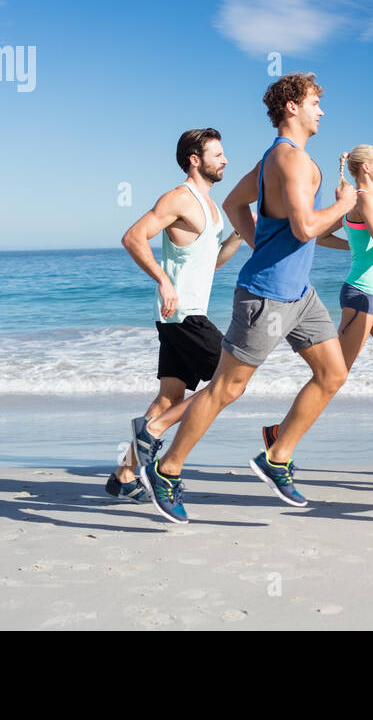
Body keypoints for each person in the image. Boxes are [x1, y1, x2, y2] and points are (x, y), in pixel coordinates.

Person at [138, 73, 355, 522]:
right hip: (265, 296)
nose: (322, 110)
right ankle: (167, 469)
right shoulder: (287, 160)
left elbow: (236, 206)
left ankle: (276, 457)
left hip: (300, 294)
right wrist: (346, 204)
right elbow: (305, 228)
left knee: (333, 374)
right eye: (315, 101)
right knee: (226, 389)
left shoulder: (288, 161)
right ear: (291, 107)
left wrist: (265, 245)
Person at [265, 145, 373, 491]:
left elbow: (330, 237)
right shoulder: (362, 200)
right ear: (367, 168)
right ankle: (279, 436)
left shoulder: (357, 199)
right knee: (333, 376)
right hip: (359, 296)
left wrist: (357, 246)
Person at [105, 128, 245, 501]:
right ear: (195, 160)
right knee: (231, 380)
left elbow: (210, 264)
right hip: (183, 315)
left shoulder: (210, 209)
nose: (225, 159)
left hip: (181, 316)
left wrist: (238, 237)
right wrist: (164, 280)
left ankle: (124, 475)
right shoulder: (179, 198)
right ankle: (161, 452)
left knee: (169, 397)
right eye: (217, 154)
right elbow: (133, 237)